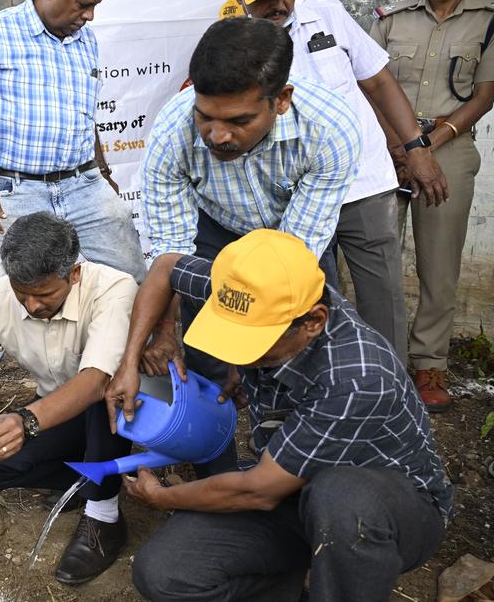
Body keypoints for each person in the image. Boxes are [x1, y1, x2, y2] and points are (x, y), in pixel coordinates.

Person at [110, 229, 451, 602]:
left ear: (314, 322)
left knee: (340, 497)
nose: (237, 353)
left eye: (254, 341)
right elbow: (165, 268)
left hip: (386, 513)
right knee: (164, 573)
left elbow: (259, 490)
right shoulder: (243, 294)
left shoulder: (357, 376)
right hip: (293, 488)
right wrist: (130, 361)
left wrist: (163, 499)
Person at [135, 17, 359, 473]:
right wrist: (166, 331)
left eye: (238, 121)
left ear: (281, 101)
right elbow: (172, 258)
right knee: (206, 360)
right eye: (205, 116)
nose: (217, 135)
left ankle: (302, 470)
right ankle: (214, 474)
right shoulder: (170, 136)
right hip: (214, 232)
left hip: (292, 244)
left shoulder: (330, 130)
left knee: (307, 349)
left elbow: (291, 259)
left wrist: (252, 347)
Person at [235, 0, 448, 361]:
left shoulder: (324, 12)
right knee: (307, 300)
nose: (278, 4)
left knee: (382, 300)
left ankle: (390, 395)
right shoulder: (235, 47)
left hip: (363, 184)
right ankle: (326, 392)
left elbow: (378, 81)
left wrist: (415, 149)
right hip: (295, 195)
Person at [0, 212, 136, 585]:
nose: (30, 305)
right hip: (55, 414)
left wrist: (24, 421)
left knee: (101, 391)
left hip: (116, 412)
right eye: (21, 293)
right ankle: (97, 478)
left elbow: (95, 381)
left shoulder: (114, 288)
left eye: (44, 294)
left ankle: (104, 516)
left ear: (73, 274)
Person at [0, 0, 146, 283]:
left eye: (95, 6)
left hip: (85, 185)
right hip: (15, 192)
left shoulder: (87, 42)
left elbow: (85, 114)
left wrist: (102, 172)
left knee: (131, 280)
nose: (89, 16)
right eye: (83, 5)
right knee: (8, 296)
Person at [370, 0, 494, 411]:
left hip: (449, 149)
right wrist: (402, 149)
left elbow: (484, 96)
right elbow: (368, 86)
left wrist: (426, 145)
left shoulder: (487, 21)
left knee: (438, 267)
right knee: (375, 263)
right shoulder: (389, 19)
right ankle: (380, 361)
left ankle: (429, 367)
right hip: (386, 152)